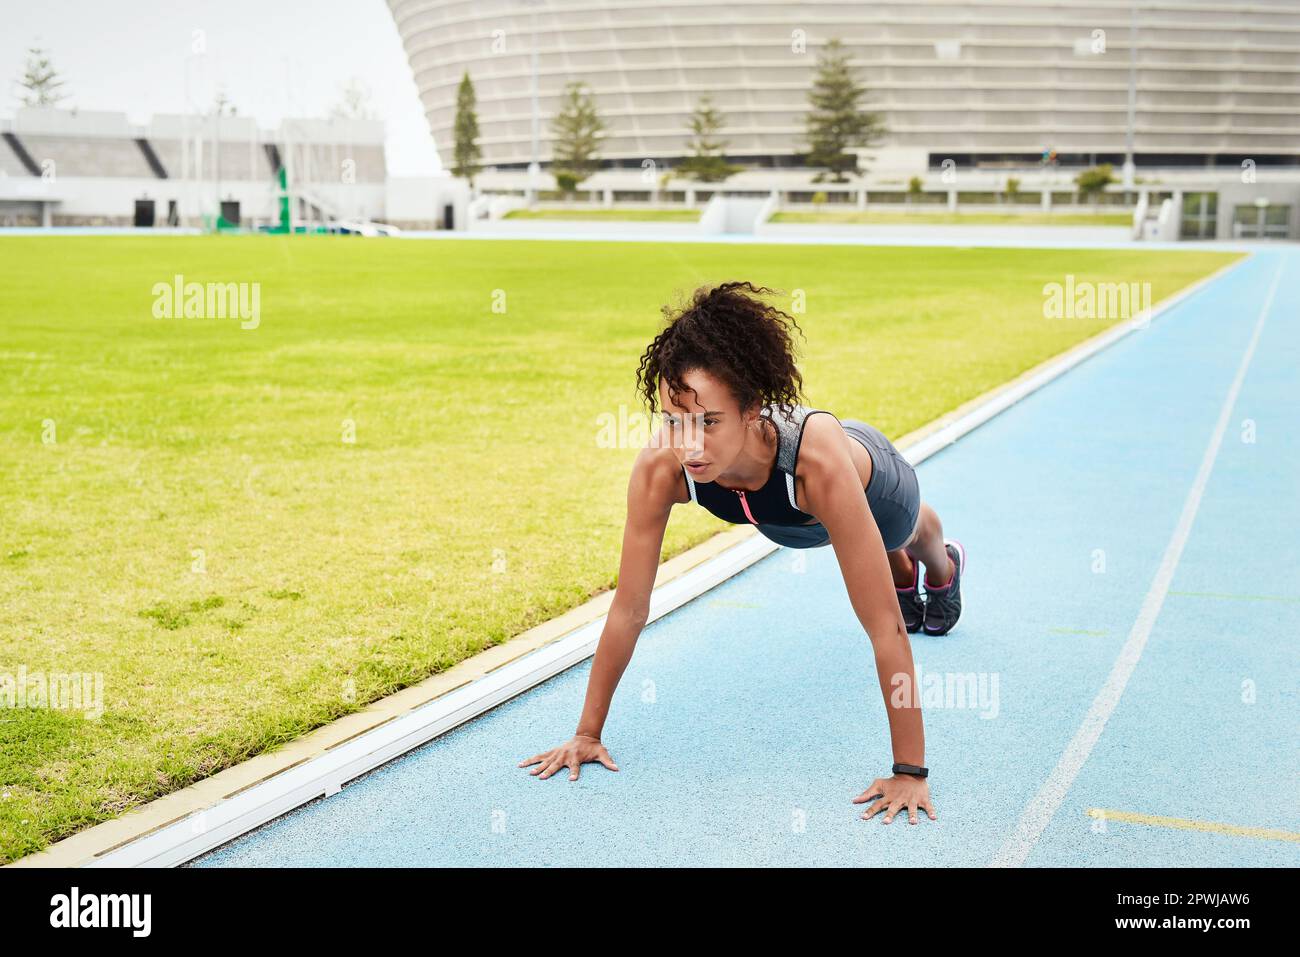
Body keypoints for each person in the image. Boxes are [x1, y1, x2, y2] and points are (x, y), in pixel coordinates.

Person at [519, 281, 965, 826]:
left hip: (877, 493)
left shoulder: (816, 464)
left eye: (709, 421)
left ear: (752, 408)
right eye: (674, 421)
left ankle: (939, 565)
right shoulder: (663, 467)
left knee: (907, 535)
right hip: (789, 522)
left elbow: (884, 628)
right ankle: (896, 566)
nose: (689, 445)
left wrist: (910, 771)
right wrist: (586, 734)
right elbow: (630, 607)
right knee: (870, 553)